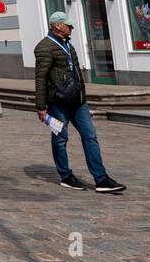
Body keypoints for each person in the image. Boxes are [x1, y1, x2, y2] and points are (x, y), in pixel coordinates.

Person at [35, 11, 126, 194]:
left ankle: (101, 179)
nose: (71, 28)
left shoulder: (68, 44)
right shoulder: (44, 47)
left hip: (78, 101)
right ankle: (66, 176)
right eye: (68, 25)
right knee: (60, 139)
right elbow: (40, 78)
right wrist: (41, 107)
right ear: (58, 26)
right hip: (58, 103)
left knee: (90, 136)